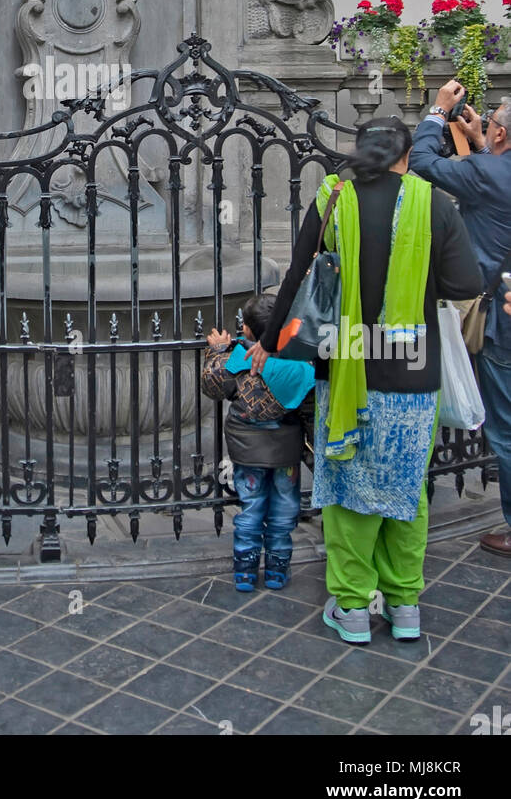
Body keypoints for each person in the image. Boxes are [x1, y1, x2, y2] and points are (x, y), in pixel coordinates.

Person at [247, 117, 482, 643]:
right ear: (405, 157)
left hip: (346, 368)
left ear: (361, 153)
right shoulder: (433, 203)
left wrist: (268, 343)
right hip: (414, 373)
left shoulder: (333, 198)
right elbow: (465, 282)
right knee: (407, 491)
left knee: (350, 493)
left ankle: (353, 607)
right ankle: (404, 605)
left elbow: (296, 277)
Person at [408, 85, 511, 557]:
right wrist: (481, 143)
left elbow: (423, 161)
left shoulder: (488, 172)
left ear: (501, 133)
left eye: (491, 123)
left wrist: (438, 110)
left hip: (501, 319)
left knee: (505, 429)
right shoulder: (490, 166)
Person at [206, 294, 314, 592]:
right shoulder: (299, 364)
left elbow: (213, 385)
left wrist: (218, 350)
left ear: (246, 329)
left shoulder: (238, 360)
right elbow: (309, 408)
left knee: (251, 507)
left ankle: (245, 571)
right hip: (286, 451)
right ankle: (277, 569)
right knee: (284, 508)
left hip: (247, 451)